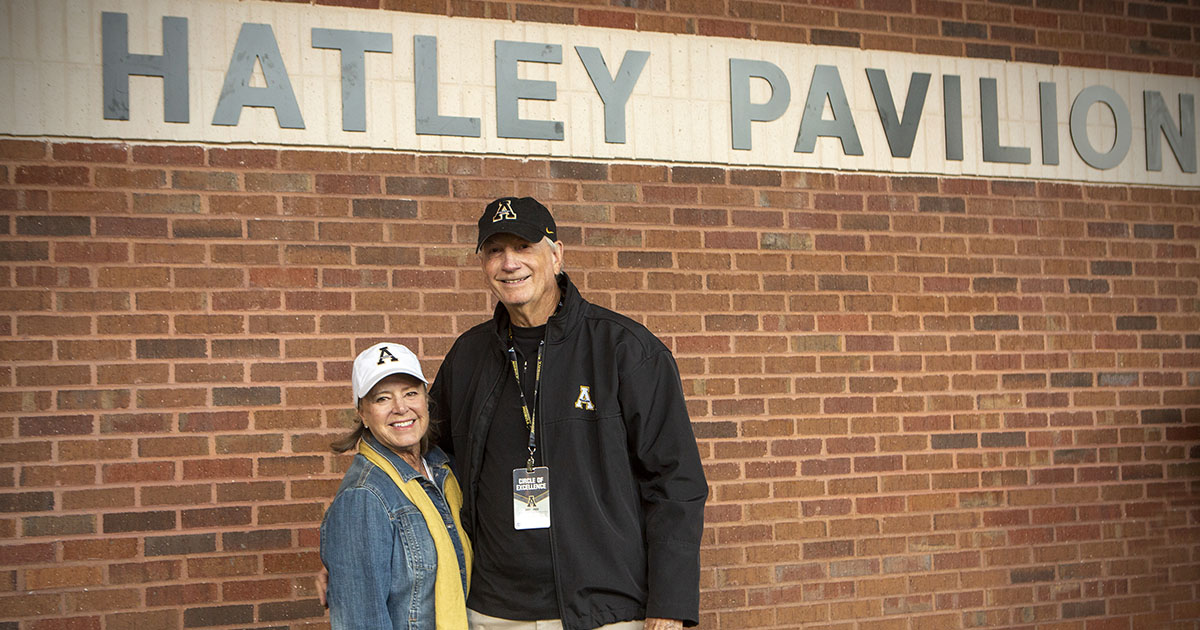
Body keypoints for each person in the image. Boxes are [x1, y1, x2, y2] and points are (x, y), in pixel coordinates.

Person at [430, 197, 708, 630]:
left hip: (603, 611)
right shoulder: (467, 356)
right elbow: (417, 456)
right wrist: (352, 542)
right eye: (495, 251)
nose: (509, 263)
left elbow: (676, 482)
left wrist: (669, 604)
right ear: (482, 263)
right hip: (492, 612)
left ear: (556, 255)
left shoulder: (624, 350)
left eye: (523, 246)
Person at [321, 342, 472, 630]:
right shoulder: (362, 499)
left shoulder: (445, 472)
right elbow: (361, 621)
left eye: (411, 393)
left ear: (426, 399)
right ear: (362, 413)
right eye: (382, 399)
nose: (401, 408)